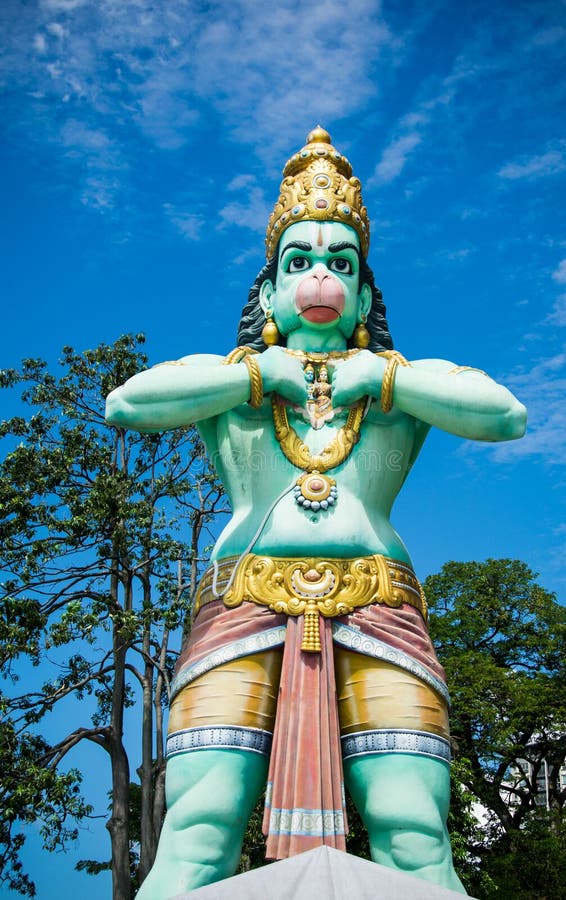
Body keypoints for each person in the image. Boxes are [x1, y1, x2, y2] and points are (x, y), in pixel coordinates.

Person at [106, 126, 526, 897]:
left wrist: (381, 379)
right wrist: (260, 376)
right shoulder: (231, 379)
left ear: (363, 296)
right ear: (267, 293)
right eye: (298, 262)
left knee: (414, 833)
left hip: (380, 603)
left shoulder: (399, 382)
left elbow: (505, 415)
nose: (321, 277)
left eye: (342, 263)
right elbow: (127, 403)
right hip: (241, 600)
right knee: (200, 830)